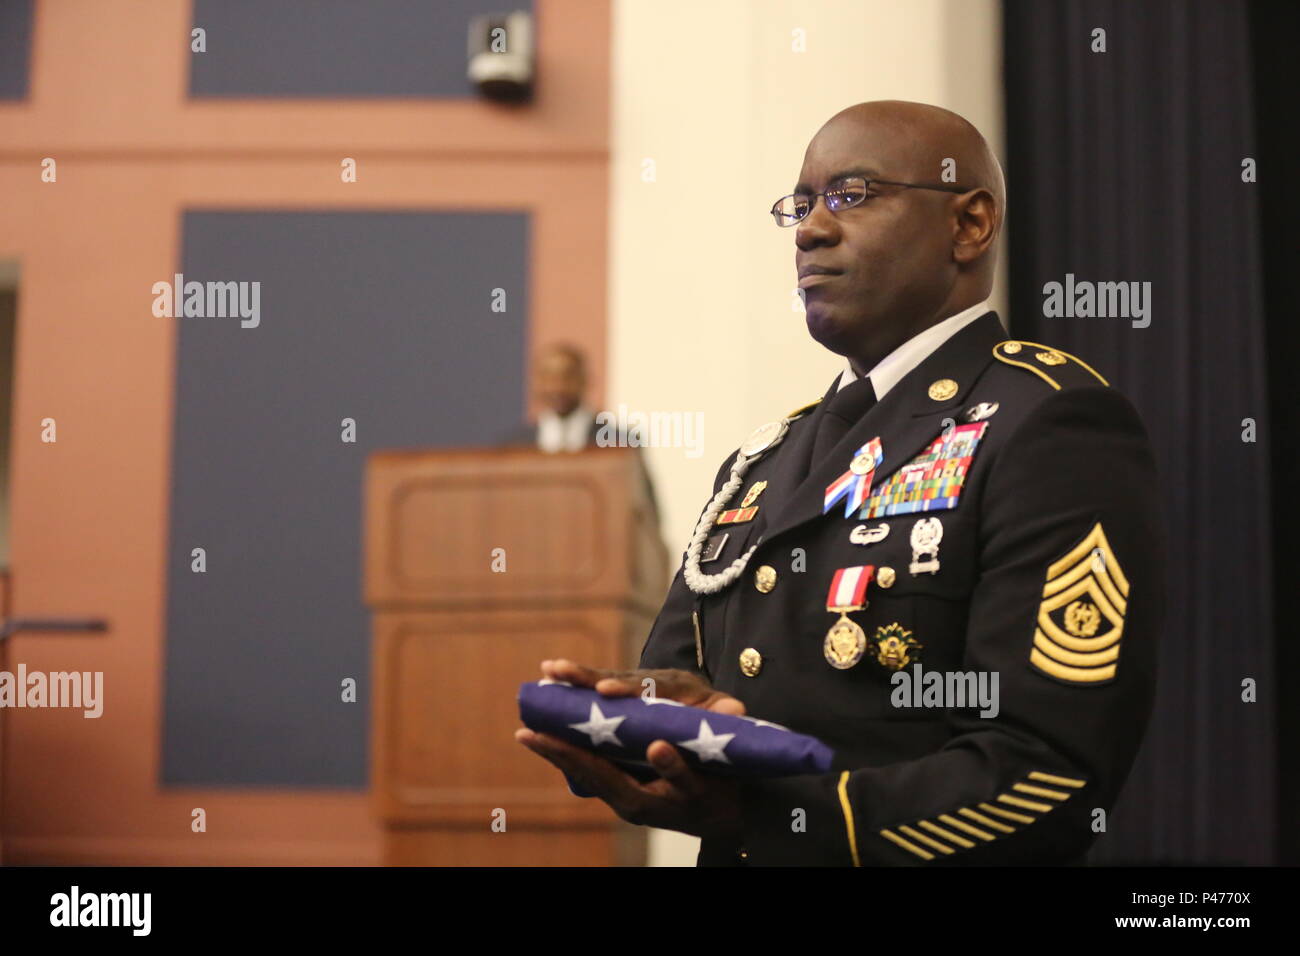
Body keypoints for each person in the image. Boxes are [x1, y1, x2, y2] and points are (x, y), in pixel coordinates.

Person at [516, 100, 1165, 866]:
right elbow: (691, 675)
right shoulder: (763, 462)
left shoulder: (1049, 426)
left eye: (852, 196)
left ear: (969, 225)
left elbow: (1047, 772)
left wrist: (773, 814)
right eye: (802, 204)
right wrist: (648, 721)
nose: (810, 229)